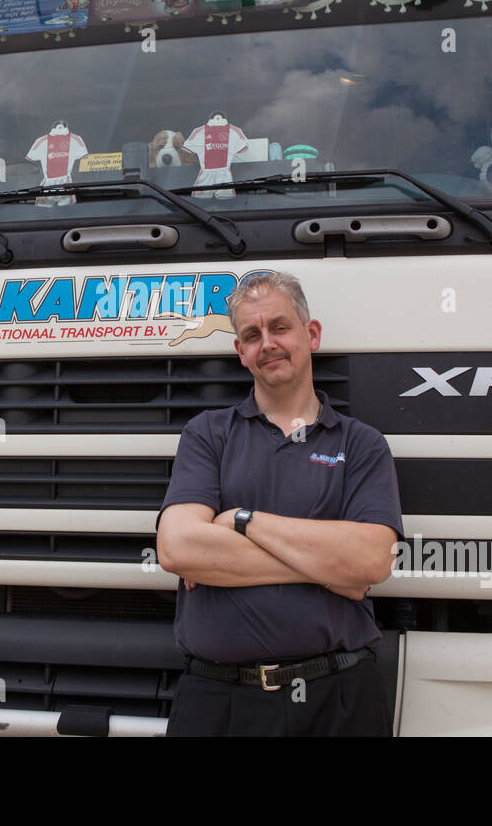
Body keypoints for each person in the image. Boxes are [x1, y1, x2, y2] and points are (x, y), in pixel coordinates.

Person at [155, 270, 404, 736]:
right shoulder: (207, 434)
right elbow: (178, 549)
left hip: (340, 697)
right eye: (252, 335)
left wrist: (243, 521)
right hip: (218, 701)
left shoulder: (363, 444)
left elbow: (372, 559)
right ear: (241, 353)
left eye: (279, 327)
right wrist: (331, 571)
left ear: (311, 334)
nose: (267, 343)